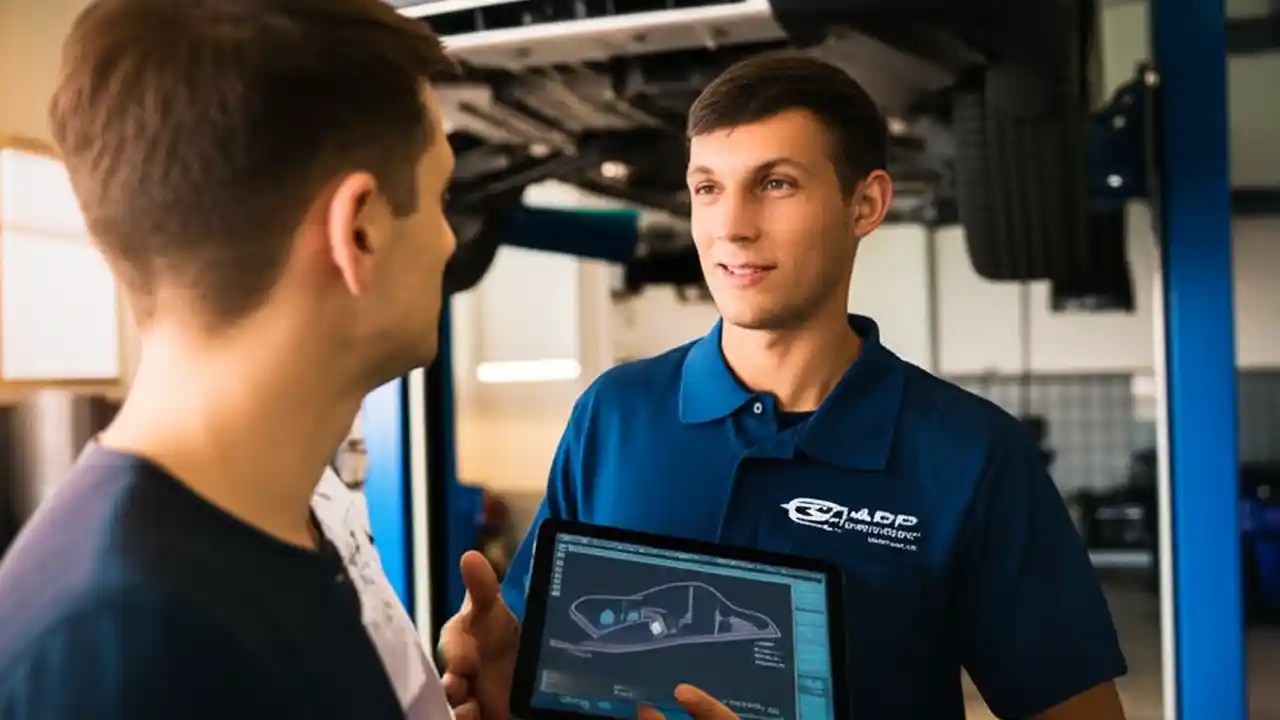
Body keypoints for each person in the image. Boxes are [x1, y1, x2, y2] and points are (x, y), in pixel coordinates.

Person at [440, 54, 1129, 719]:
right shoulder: (615, 414)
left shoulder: (972, 457)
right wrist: (506, 679)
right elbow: (557, 660)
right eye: (709, 187)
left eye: (775, 183)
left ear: (865, 204)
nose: (732, 227)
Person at [0, 1, 461, 717]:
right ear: (360, 230)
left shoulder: (274, 542)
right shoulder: (126, 649)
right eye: (440, 198)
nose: (450, 241)